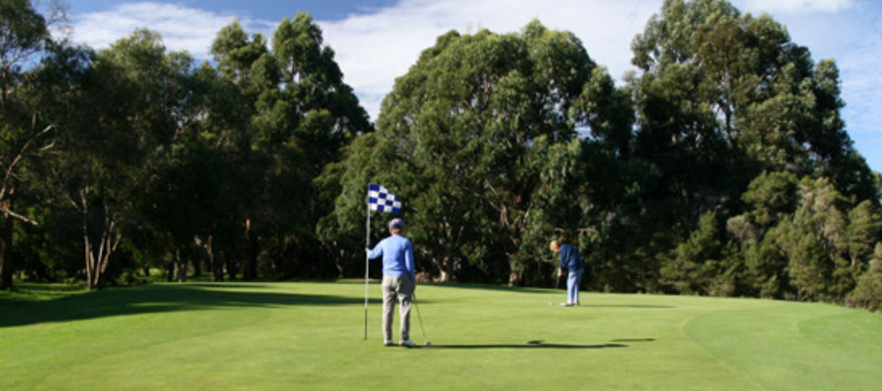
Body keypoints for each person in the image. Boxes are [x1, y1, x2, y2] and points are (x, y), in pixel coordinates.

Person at [366, 218, 417, 347]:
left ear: (391, 229)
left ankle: (387, 339)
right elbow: (409, 264)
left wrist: (367, 250)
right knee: (404, 307)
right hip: (402, 276)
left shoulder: (384, 242)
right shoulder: (405, 242)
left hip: (387, 278)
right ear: (401, 229)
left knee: (387, 308)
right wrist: (412, 280)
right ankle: (404, 338)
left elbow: (372, 255)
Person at [550, 240, 584, 307]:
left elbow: (564, 260)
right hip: (580, 266)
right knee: (575, 283)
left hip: (574, 266)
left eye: (554, 250)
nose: (554, 251)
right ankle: (575, 300)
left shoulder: (562, 249)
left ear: (556, 247)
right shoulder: (566, 247)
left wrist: (560, 269)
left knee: (570, 283)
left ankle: (569, 301)